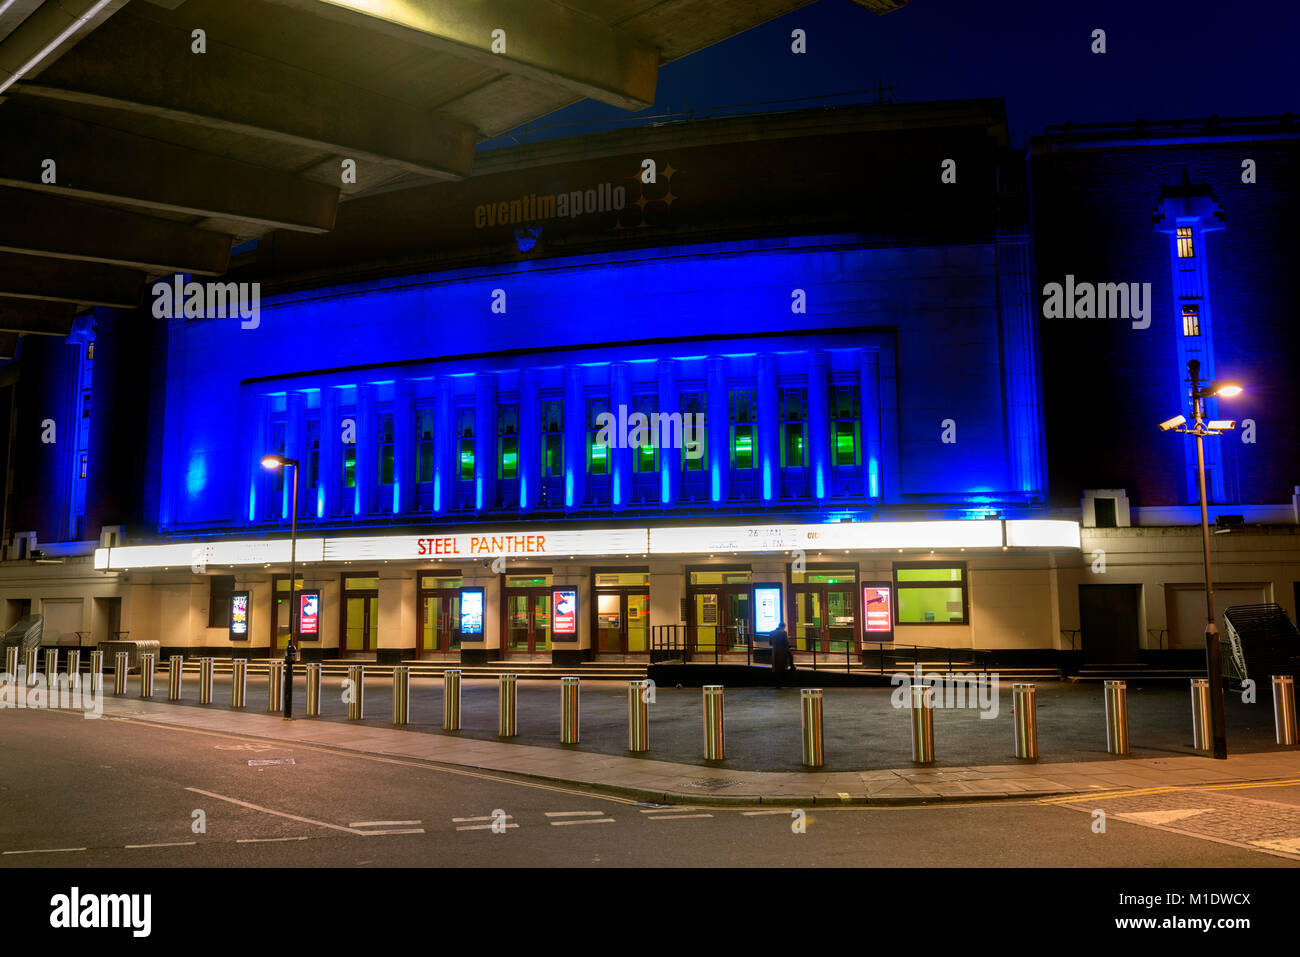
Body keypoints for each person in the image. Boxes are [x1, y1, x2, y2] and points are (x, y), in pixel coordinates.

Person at [769, 619, 792, 688]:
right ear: (783, 626)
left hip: (774, 652)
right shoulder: (784, 633)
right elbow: (786, 643)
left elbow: (770, 643)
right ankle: (780, 684)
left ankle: (777, 684)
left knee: (776, 667)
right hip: (782, 652)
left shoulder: (772, 632)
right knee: (782, 667)